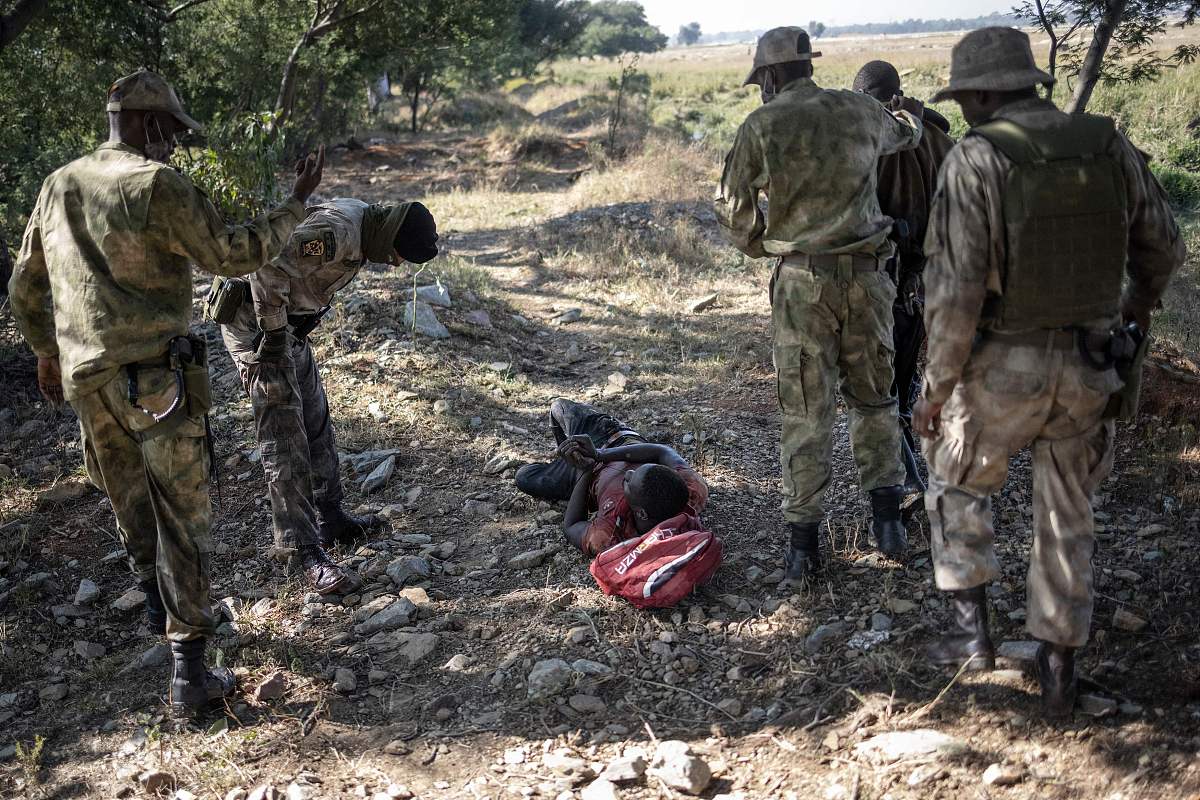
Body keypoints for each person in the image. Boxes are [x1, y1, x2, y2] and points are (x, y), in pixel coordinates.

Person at [7, 69, 325, 715]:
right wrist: (295, 203)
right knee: (182, 518)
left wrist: (45, 352)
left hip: (86, 382)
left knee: (131, 506)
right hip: (157, 381)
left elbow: (24, 287)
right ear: (150, 123)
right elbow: (234, 255)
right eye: (173, 132)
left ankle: (159, 611)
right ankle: (190, 673)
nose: (174, 146)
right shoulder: (158, 186)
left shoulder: (57, 184)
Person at [913, 27, 1185, 717]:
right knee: (1068, 515)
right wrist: (1132, 312)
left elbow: (955, 293)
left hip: (1003, 368)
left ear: (978, 93)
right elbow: (1163, 247)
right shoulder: (1105, 143)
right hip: (1093, 365)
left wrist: (934, 392)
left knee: (953, 478)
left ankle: (971, 643)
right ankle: (1060, 670)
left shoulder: (975, 158)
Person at [715, 26, 925, 582]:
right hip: (868, 280)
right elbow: (907, 134)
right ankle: (887, 523)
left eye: (761, 77)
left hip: (802, 283)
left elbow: (732, 206)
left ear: (770, 75)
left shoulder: (762, 125)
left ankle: (804, 547)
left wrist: (765, 244)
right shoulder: (860, 110)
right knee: (875, 399)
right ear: (808, 64)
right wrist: (908, 114)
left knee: (806, 410)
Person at [214, 197, 439, 593]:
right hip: (257, 329)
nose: (396, 264)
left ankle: (330, 516)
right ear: (390, 237)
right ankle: (304, 551)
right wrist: (274, 334)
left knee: (316, 420)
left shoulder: (367, 225)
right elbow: (265, 262)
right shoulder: (338, 232)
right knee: (286, 436)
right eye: (399, 255)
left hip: (288, 328)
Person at [853, 60, 956, 497]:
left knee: (879, 386)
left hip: (881, 278)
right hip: (927, 279)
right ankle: (909, 464)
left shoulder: (869, 143)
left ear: (863, 98)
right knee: (903, 371)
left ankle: (903, 480)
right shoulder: (939, 139)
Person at [514, 399, 708, 557]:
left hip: (585, 475)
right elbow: (661, 450)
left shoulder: (609, 536)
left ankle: (569, 460)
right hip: (619, 441)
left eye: (629, 482)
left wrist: (585, 469)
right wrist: (599, 454)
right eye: (642, 469)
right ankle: (567, 453)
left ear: (641, 514)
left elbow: (571, 525)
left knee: (524, 476)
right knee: (558, 406)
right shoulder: (693, 491)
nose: (629, 473)